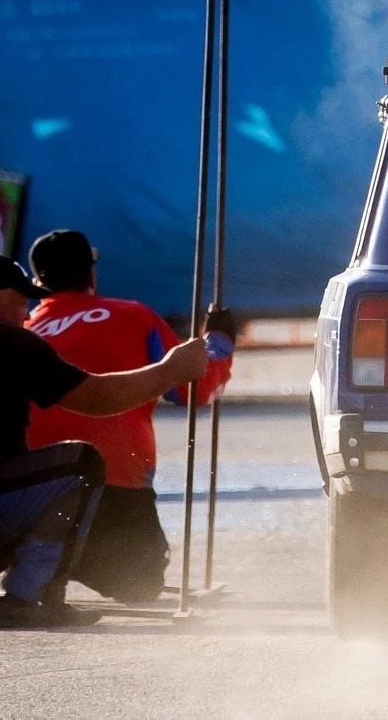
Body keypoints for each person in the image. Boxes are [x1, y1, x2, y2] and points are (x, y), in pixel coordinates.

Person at [0, 253, 218, 631]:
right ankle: (31, 599)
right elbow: (96, 398)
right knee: (78, 465)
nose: (27, 314)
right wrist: (169, 371)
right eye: (21, 302)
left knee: (16, 484)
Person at [21, 230, 236, 605]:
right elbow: (193, 390)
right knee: (139, 585)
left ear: (37, 281)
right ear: (90, 275)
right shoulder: (132, 316)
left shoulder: (22, 333)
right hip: (114, 489)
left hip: (31, 492)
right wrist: (219, 342)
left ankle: (39, 560)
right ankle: (83, 559)